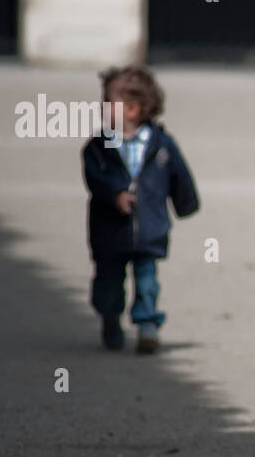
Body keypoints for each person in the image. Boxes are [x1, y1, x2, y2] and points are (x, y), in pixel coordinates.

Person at [83, 65, 199, 353]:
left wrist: (186, 204)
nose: (102, 108)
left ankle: (147, 325)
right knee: (108, 286)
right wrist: (114, 194)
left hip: (148, 229)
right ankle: (110, 316)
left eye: (108, 103)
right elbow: (94, 176)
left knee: (147, 282)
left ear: (132, 109)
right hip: (109, 232)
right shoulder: (99, 147)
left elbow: (179, 175)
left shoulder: (162, 145)